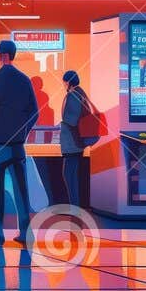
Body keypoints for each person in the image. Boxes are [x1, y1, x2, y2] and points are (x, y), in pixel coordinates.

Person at [0, 40, 37, 246]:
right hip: (17, 145)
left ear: (1, 55)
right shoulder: (24, 80)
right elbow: (34, 111)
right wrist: (23, 132)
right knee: (22, 189)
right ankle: (25, 233)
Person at [57, 70, 94, 208]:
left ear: (68, 82)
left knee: (69, 175)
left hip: (73, 142)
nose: (63, 84)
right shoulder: (80, 93)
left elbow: (71, 119)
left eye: (64, 82)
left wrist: (62, 123)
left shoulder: (73, 95)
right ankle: (75, 206)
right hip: (77, 142)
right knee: (71, 175)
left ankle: (75, 207)